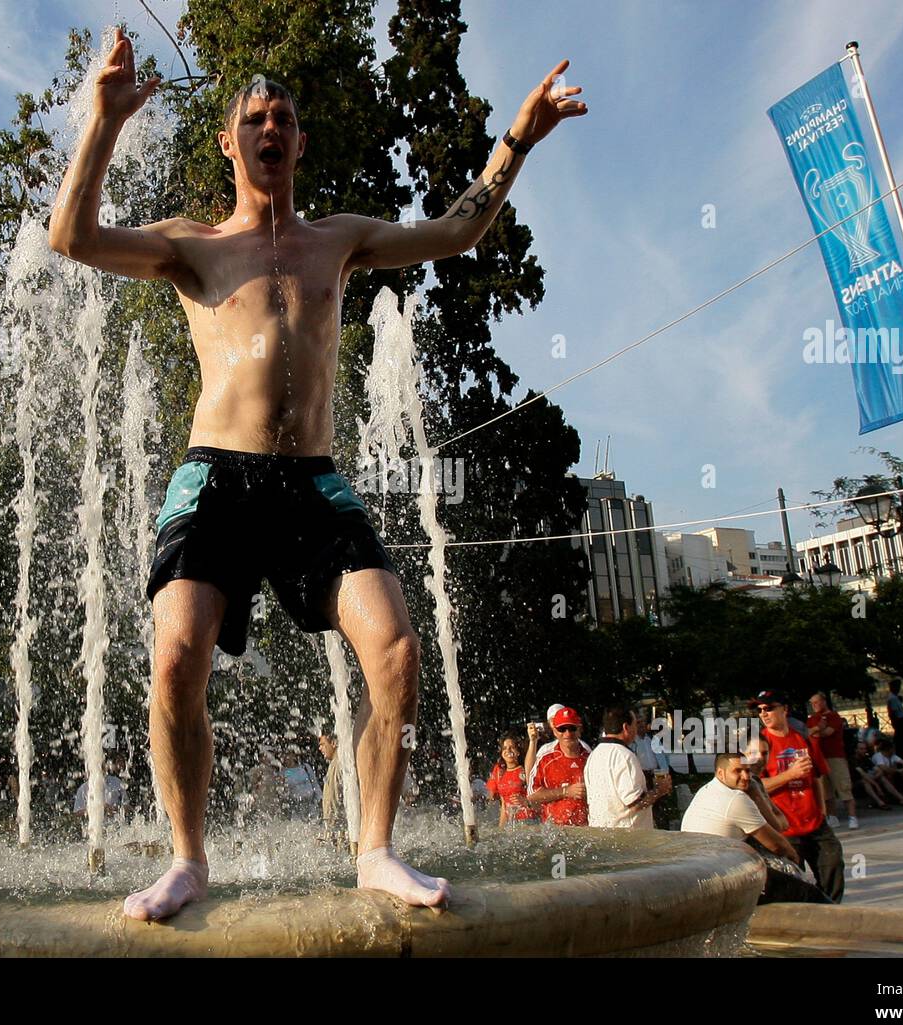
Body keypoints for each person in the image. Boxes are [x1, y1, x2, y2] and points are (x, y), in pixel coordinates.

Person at [50, 28, 586, 920]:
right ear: (230, 142)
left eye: (284, 118)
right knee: (177, 652)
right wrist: (102, 125)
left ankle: (374, 847)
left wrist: (517, 140)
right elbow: (71, 237)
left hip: (312, 481)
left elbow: (456, 230)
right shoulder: (192, 245)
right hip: (215, 476)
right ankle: (188, 858)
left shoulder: (339, 240)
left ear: (299, 143)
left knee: (399, 651)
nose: (270, 126)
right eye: (253, 117)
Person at [682, 751, 828, 904]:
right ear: (720, 773)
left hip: (700, 872)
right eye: (737, 771)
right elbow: (777, 845)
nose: (745, 777)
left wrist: (757, 793)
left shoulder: (706, 790)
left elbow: (779, 825)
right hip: (723, 876)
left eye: (747, 770)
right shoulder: (735, 799)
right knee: (810, 894)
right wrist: (796, 859)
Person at [753, 693, 844, 902]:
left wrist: (821, 810)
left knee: (833, 864)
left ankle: (830, 910)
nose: (763, 714)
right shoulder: (760, 744)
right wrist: (789, 775)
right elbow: (754, 785)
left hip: (814, 821)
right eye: (759, 710)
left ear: (784, 709)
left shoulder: (803, 738)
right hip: (785, 826)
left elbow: (817, 777)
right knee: (793, 882)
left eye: (769, 708)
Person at [585, 708, 670, 829]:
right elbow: (635, 803)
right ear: (626, 727)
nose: (636, 729)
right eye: (635, 724)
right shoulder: (624, 756)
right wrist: (660, 790)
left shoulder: (594, 754)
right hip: (627, 836)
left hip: (602, 832)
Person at [528, 707, 591, 826]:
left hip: (586, 830)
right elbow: (532, 796)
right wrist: (565, 792)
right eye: (562, 729)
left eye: (572, 728)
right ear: (555, 731)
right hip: (555, 832)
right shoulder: (545, 759)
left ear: (579, 729)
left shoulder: (590, 758)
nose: (567, 734)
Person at [806, 692, 857, 830]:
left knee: (843, 786)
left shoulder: (833, 716)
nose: (814, 705)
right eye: (812, 703)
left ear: (824, 701)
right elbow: (807, 733)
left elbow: (827, 732)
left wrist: (815, 731)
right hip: (818, 757)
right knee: (825, 790)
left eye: (816, 702)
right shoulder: (812, 719)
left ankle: (852, 817)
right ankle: (832, 817)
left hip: (835, 756)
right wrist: (817, 729)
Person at [486, 733, 536, 827]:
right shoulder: (499, 772)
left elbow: (541, 801)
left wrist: (526, 801)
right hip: (511, 824)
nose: (508, 751)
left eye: (512, 747)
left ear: (518, 751)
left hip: (530, 822)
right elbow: (504, 805)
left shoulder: (525, 770)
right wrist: (501, 829)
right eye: (504, 748)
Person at [317, 733, 344, 843]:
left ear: (333, 743)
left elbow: (335, 799)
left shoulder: (338, 763)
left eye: (323, 744)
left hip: (339, 828)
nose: (320, 748)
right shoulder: (335, 762)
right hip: (336, 826)